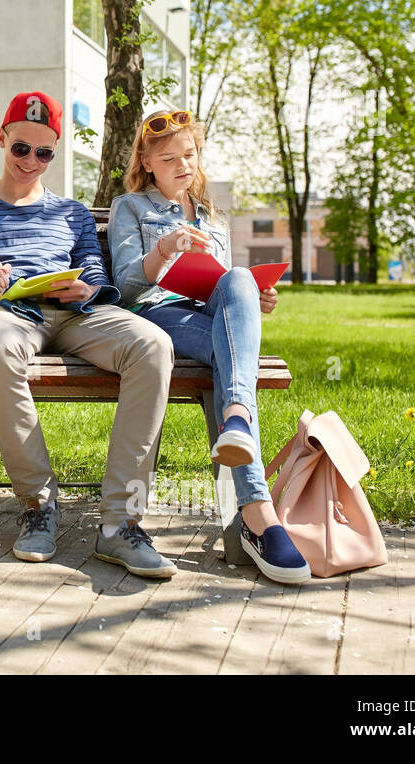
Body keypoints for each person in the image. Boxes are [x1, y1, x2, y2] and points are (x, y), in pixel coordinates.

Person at [0, 91, 178, 578]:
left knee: (152, 344)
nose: (31, 161)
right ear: (2, 138)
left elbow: (95, 274)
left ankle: (119, 523)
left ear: (56, 152)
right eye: (21, 148)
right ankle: (38, 503)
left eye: (44, 152)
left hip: (74, 316)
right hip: (8, 312)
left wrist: (84, 288)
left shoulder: (71, 213)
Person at [108, 108, 311, 584]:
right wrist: (165, 249)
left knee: (240, 278)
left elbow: (222, 284)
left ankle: (237, 421)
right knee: (234, 355)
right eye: (170, 157)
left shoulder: (214, 216)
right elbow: (125, 287)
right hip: (158, 318)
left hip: (210, 319)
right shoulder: (131, 208)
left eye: (190, 154)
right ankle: (258, 516)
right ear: (147, 160)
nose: (183, 165)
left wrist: (254, 297)